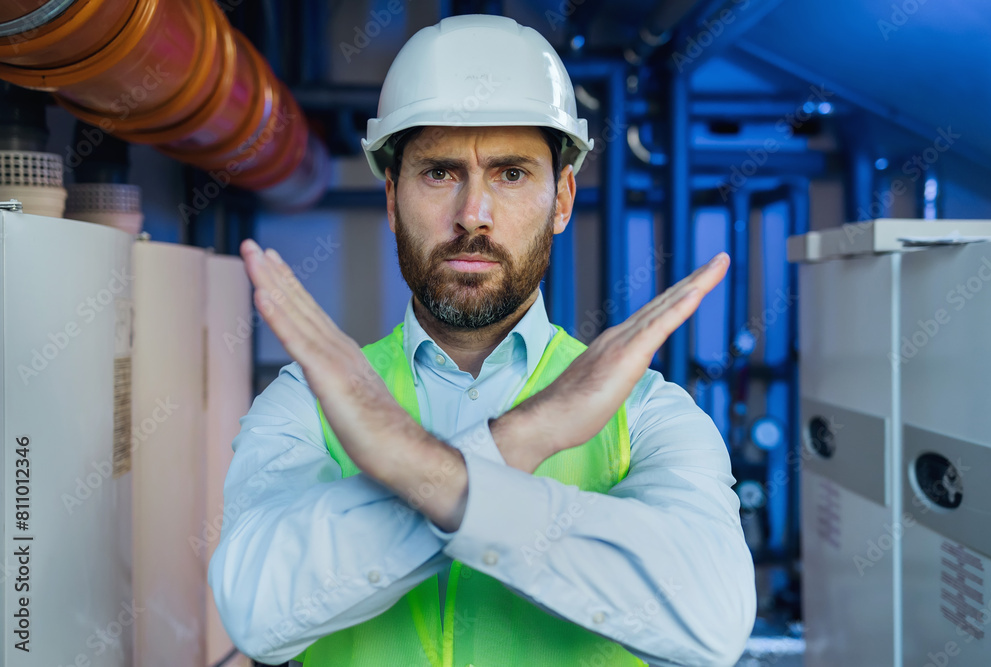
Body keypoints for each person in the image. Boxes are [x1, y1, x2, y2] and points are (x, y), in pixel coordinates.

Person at [209, 14, 755, 667]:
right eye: (440, 173)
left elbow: (712, 622)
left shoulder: (645, 414)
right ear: (392, 198)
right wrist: (524, 439)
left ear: (562, 200)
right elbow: (257, 610)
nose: (473, 214)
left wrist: (415, 465)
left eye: (511, 174)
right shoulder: (308, 400)